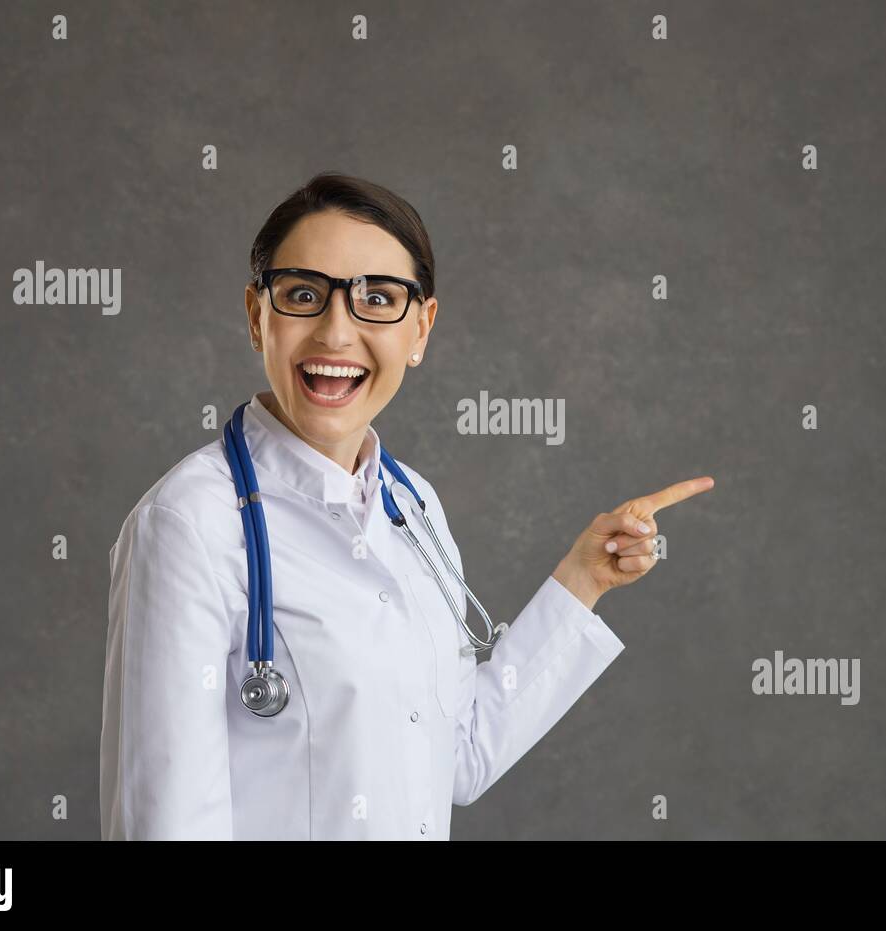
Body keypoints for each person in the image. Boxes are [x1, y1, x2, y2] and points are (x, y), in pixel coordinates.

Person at [99, 171, 714, 839]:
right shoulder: (188, 523)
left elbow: (462, 755)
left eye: (378, 299)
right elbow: (165, 821)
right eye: (304, 295)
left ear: (421, 328)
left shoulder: (411, 503)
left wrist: (585, 579)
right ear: (257, 316)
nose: (336, 334)